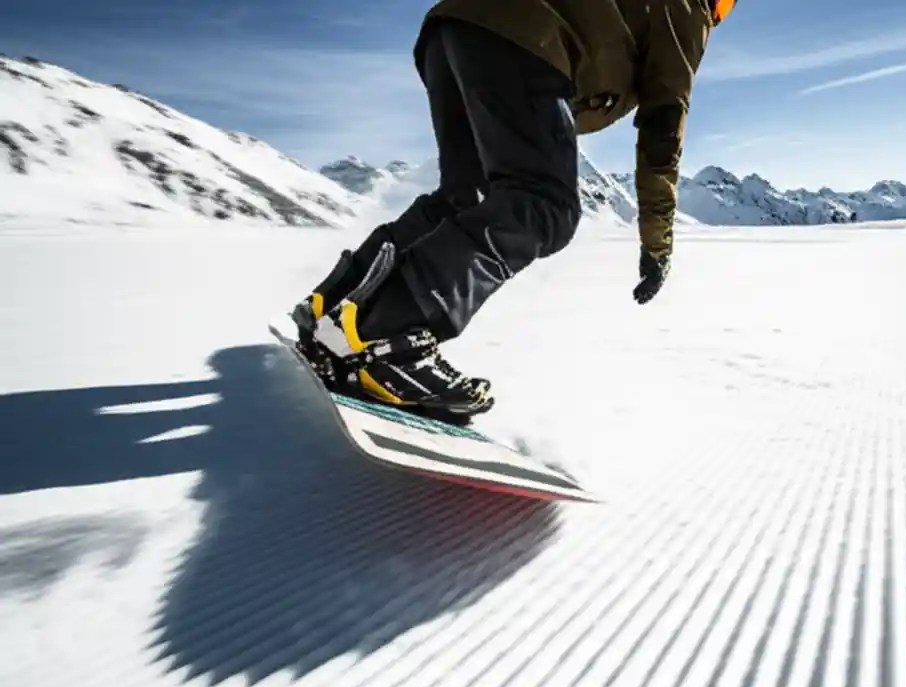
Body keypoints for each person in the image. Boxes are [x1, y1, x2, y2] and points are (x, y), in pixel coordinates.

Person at [291, 0, 738, 418]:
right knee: (544, 205)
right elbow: (664, 126)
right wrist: (658, 244)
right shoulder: (690, 8)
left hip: (457, 26)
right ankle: (390, 338)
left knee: (465, 197)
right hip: (525, 38)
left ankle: (336, 305)